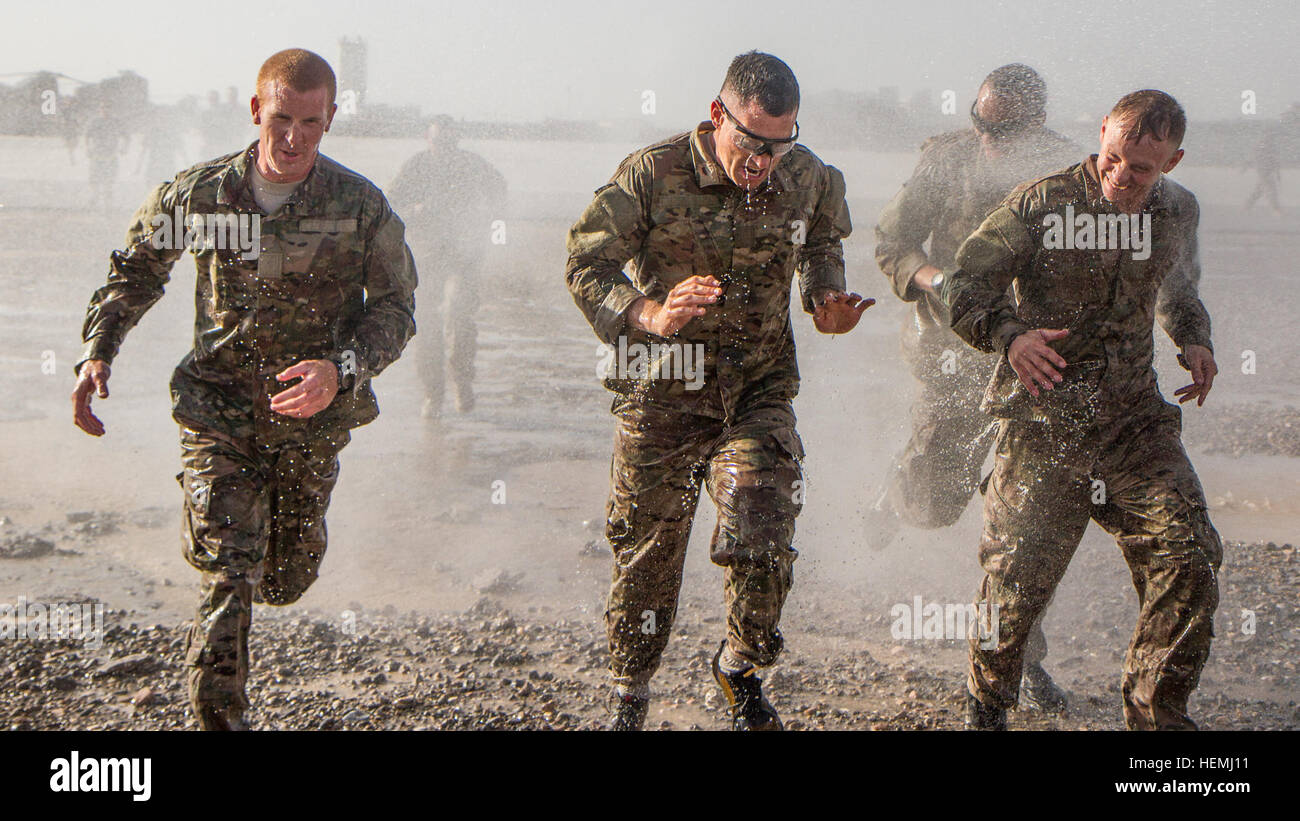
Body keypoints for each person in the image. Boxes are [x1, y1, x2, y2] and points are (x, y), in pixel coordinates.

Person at [71, 48, 417, 730]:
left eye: (311, 123)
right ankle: (220, 719)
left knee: (284, 578)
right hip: (217, 408)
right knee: (230, 571)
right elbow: (136, 269)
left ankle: (250, 543)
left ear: (331, 119)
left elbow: (398, 309)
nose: (293, 138)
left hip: (310, 419)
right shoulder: (198, 194)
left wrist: (340, 369)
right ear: (256, 110)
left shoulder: (359, 203)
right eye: (281, 118)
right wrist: (96, 353)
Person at [566, 51, 872, 731]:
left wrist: (827, 301)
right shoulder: (653, 173)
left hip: (756, 385)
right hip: (663, 393)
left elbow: (822, 241)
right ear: (717, 115)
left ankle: (741, 667)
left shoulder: (809, 177)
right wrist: (649, 313)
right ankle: (630, 689)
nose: (762, 160)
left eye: (779, 144)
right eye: (750, 141)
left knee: (763, 515)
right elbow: (585, 263)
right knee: (647, 551)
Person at [940, 89, 1222, 730]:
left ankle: (1157, 725)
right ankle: (986, 711)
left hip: (1132, 421)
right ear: (1101, 134)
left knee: (1190, 557)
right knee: (1014, 590)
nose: (1122, 177)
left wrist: (1195, 339)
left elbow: (1178, 289)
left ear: (1172, 163)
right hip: (1045, 421)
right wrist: (1010, 337)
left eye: (1142, 169)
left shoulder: (1176, 212)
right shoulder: (1044, 203)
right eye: (1114, 157)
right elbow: (966, 282)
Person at [872, 64, 1079, 713]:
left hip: (1029, 363)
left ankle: (1022, 659)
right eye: (979, 122)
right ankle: (896, 494)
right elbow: (893, 242)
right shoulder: (946, 158)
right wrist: (937, 282)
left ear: (1035, 126)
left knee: (1022, 517)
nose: (986, 138)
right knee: (936, 500)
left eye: (1002, 129)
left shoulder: (1067, 172)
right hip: (949, 347)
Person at [389, 115, 506, 416]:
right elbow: (390, 206)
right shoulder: (416, 167)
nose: (445, 147)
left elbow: (499, 190)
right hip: (426, 257)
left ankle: (462, 381)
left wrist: (488, 217)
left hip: (464, 254)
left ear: (457, 141)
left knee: (460, 316)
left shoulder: (471, 164)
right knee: (426, 324)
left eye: (450, 141)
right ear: (428, 139)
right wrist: (416, 210)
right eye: (439, 141)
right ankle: (433, 393)